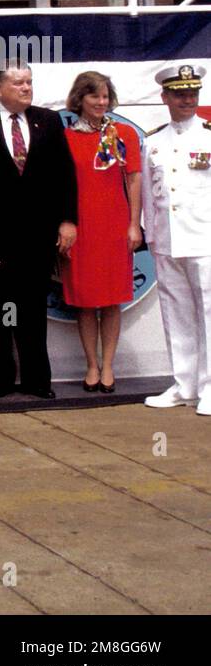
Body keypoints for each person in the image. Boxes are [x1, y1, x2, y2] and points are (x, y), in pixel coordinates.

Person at [0, 61, 77, 399]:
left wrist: (68, 220)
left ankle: (37, 380)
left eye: (29, 82)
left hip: (37, 236)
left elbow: (65, 174)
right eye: (18, 83)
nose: (26, 88)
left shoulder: (48, 120)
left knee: (30, 309)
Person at [60, 71, 142, 394]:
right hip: (80, 229)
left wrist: (134, 224)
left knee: (111, 301)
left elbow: (134, 180)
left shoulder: (123, 134)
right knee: (84, 301)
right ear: (80, 99)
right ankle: (90, 365)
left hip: (114, 227)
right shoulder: (65, 138)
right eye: (95, 96)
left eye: (106, 96)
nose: (101, 102)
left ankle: (108, 366)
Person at [142, 64, 211, 416]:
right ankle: (184, 384)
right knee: (176, 314)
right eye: (180, 94)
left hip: (205, 238)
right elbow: (150, 198)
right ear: (165, 96)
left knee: (210, 314)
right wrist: (151, 236)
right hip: (168, 240)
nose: (188, 99)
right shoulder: (153, 141)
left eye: (193, 93)